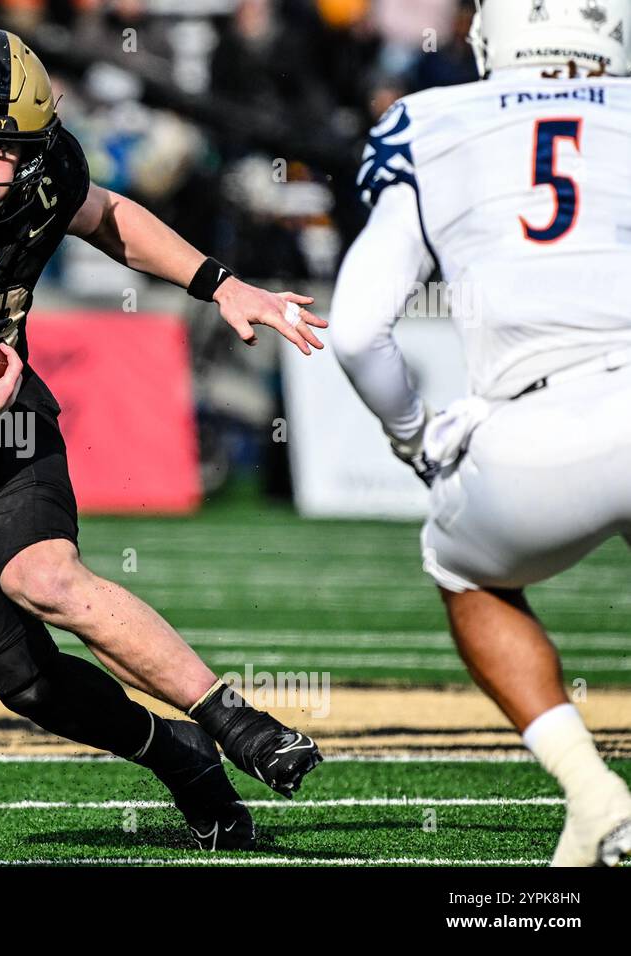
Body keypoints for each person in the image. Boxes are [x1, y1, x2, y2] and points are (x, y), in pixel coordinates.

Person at [0, 25, 328, 849]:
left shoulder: (48, 176)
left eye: (4, 154)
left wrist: (219, 283)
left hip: (4, 420)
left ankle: (238, 722)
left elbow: (109, 216)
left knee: (44, 575)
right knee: (22, 679)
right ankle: (179, 757)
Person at [331, 0, 631, 866]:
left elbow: (356, 331)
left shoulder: (430, 120)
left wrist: (411, 434)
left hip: (537, 429)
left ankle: (589, 788)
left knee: (465, 571)